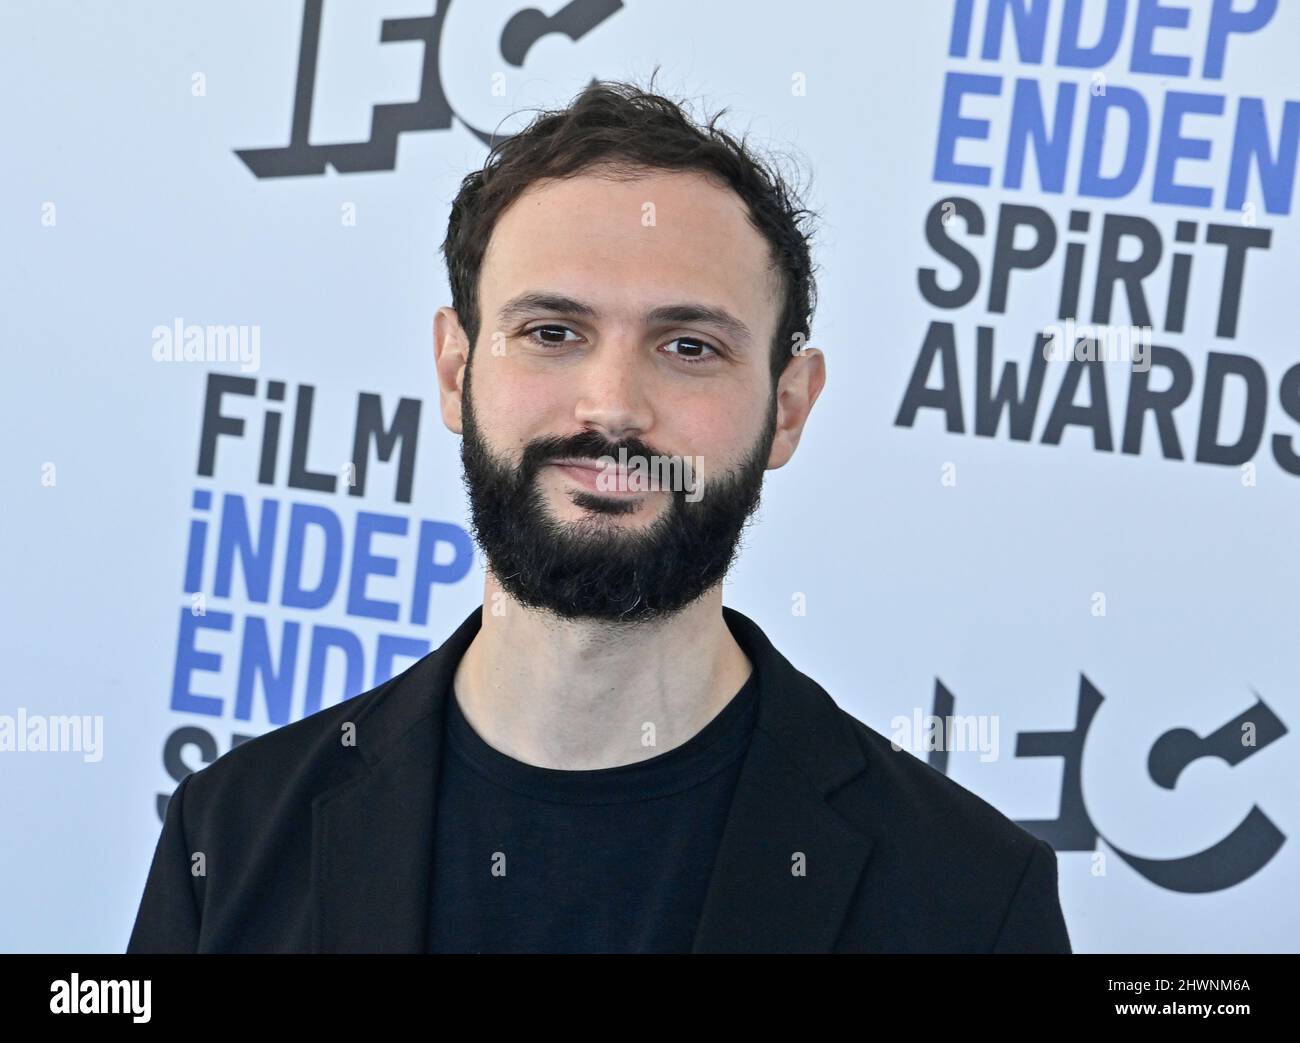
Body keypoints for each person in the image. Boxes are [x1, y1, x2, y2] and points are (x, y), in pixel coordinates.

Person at [127, 77, 1071, 954]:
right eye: (552, 333)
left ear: (788, 405)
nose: (612, 404)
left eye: (689, 345)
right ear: (457, 370)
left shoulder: (968, 895)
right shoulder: (230, 839)